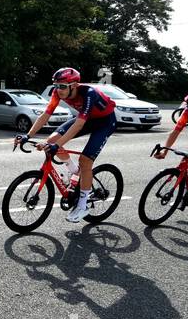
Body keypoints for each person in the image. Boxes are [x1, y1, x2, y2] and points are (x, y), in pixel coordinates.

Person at [22, 67, 118, 222]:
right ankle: (74, 171)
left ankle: (82, 205)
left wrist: (57, 146)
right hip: (87, 120)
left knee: (85, 161)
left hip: (104, 122)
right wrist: (28, 135)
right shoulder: (57, 93)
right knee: (51, 141)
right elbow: (46, 114)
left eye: (62, 86)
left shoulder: (88, 94)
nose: (58, 90)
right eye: (56, 86)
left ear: (73, 85)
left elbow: (79, 125)